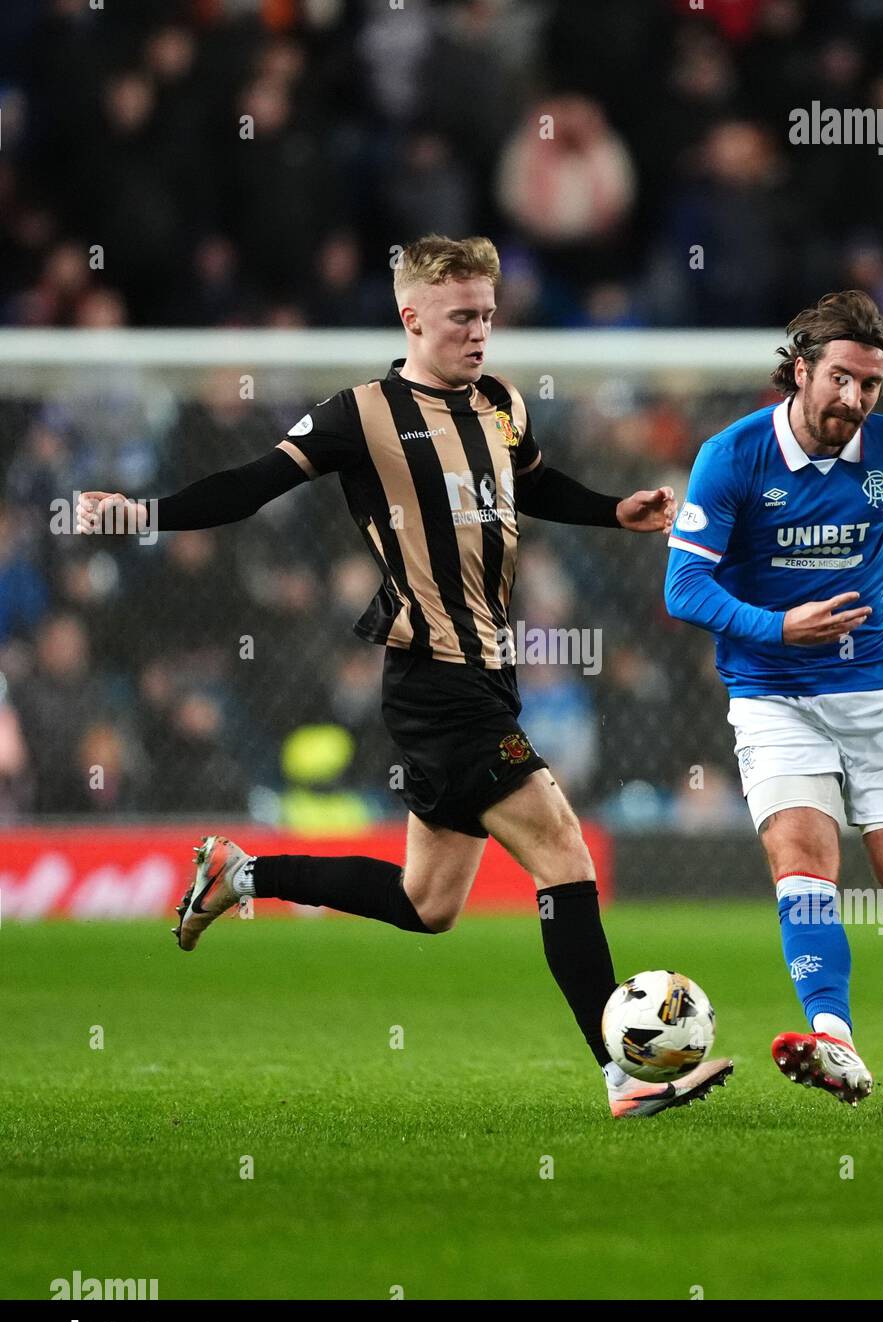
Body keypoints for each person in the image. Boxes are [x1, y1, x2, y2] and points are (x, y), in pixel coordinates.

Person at [77, 233, 732, 1120]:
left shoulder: (501, 404)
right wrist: (143, 511)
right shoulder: (362, 413)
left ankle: (240, 875)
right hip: (434, 676)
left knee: (427, 903)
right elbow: (250, 484)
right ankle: (623, 1077)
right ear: (410, 316)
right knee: (565, 852)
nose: (479, 335)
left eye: (488, 317)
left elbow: (532, 486)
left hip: (491, 676)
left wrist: (613, 512)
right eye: (462, 318)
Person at [664, 290, 883, 1116]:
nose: (855, 400)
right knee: (801, 865)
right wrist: (777, 627)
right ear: (800, 370)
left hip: (875, 691)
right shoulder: (733, 455)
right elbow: (683, 585)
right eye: (841, 379)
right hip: (772, 693)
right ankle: (837, 1039)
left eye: (871, 385)